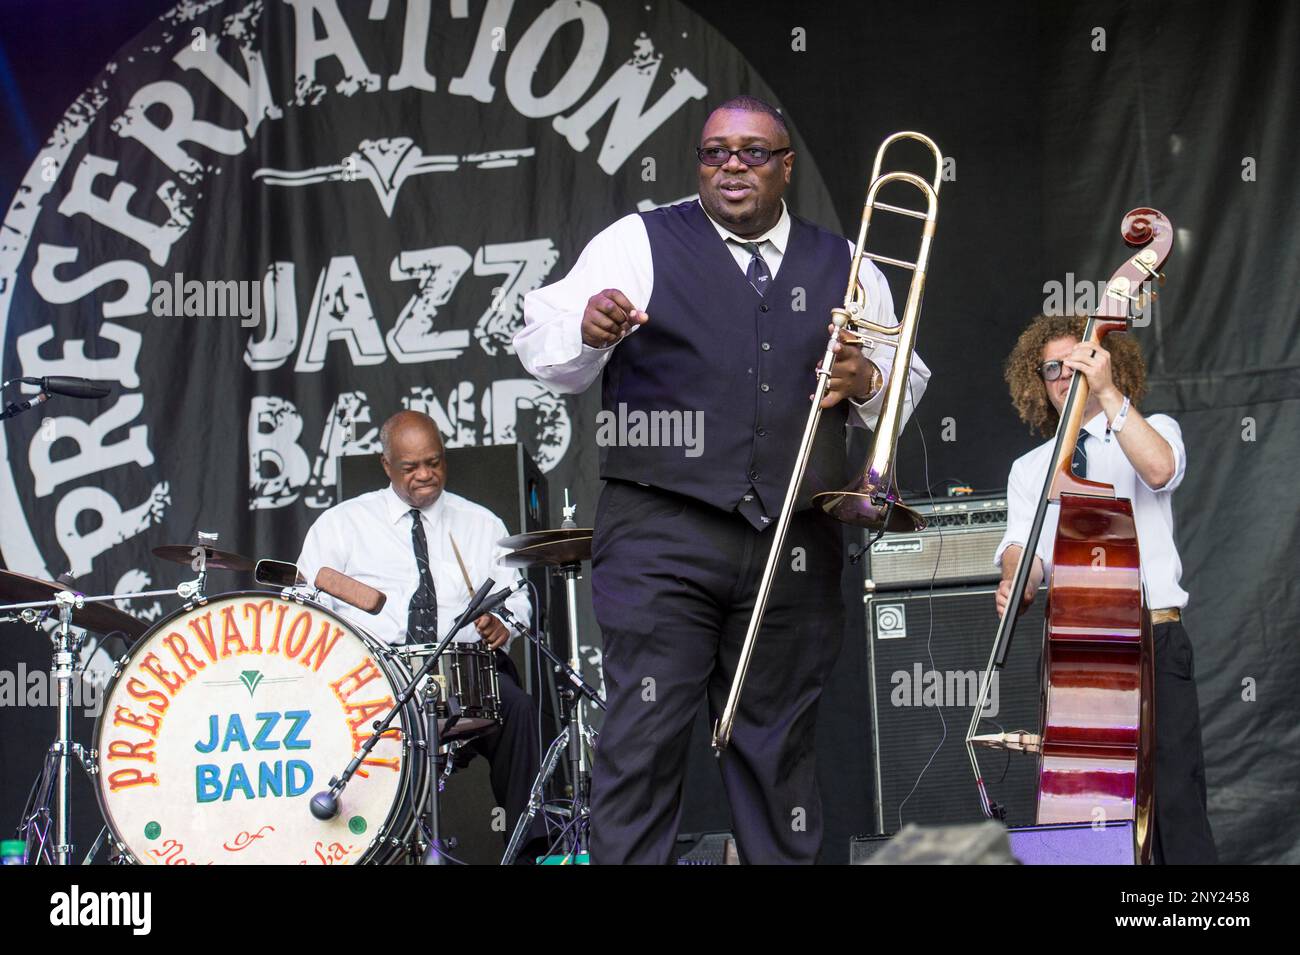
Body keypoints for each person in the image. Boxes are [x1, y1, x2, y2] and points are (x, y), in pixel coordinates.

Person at [515, 95, 930, 864]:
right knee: (642, 741)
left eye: (750, 152)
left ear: (784, 166)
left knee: (778, 751)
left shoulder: (845, 258)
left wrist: (868, 375)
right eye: (714, 152)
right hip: (660, 532)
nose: (730, 165)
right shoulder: (638, 241)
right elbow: (539, 340)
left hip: (796, 537)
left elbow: (907, 381)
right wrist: (584, 325)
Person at [994, 314, 1217, 864]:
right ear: (1036, 380)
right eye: (1053, 368)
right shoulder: (1031, 469)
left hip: (1152, 639)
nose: (1065, 378)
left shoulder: (1153, 426)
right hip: (1079, 656)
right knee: (1085, 800)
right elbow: (1028, 551)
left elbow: (1161, 471)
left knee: (1176, 798)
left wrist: (1109, 391)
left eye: (1079, 364)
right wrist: (1015, 579)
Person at [296, 410, 548, 860]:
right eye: (411, 467)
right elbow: (308, 605)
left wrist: (502, 623)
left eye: (434, 462)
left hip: (466, 672)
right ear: (386, 465)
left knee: (520, 708)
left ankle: (531, 849)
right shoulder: (341, 525)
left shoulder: (481, 524)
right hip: (377, 678)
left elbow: (517, 597)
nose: (426, 475)